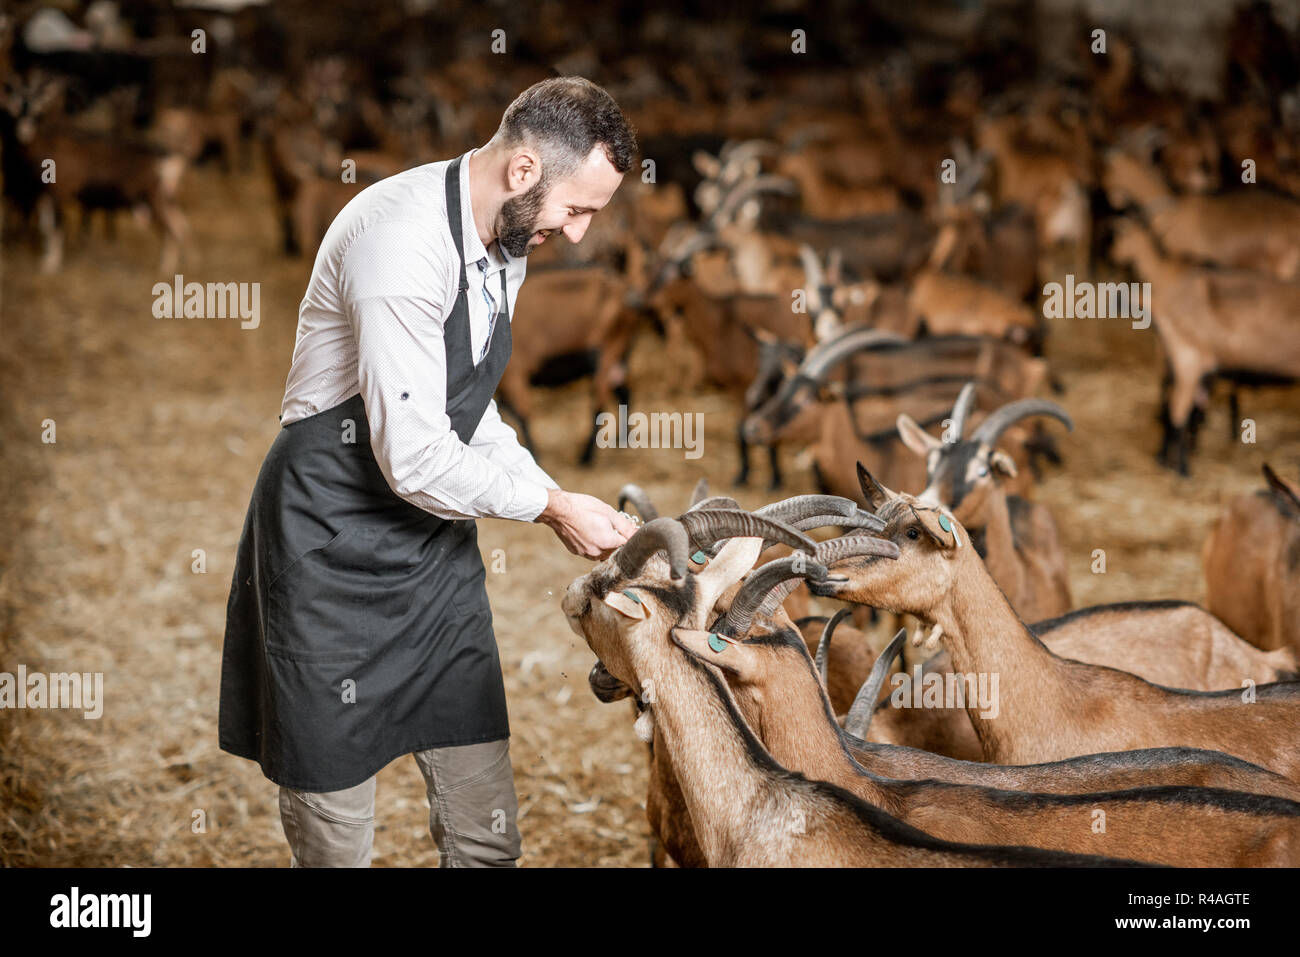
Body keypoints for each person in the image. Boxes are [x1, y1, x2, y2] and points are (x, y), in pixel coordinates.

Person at [219, 76, 640, 867]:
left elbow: (468, 409)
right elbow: (413, 455)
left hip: (433, 551)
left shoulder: (507, 242)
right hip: (330, 537)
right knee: (337, 827)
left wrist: (551, 490)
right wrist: (551, 506)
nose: (579, 235)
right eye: (575, 209)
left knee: (486, 833)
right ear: (522, 172)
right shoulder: (399, 239)